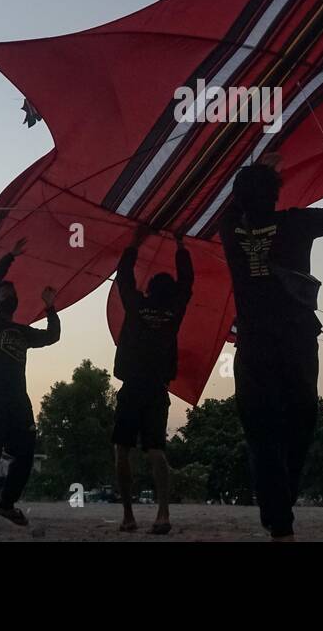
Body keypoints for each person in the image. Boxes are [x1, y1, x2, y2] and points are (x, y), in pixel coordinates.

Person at [218, 154, 323, 540]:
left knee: (259, 430)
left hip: (253, 345)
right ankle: (282, 508)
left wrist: (259, 170)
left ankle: (278, 516)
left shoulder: (229, 230)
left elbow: (232, 205)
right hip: (297, 343)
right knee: (301, 422)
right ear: (276, 195)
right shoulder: (297, 223)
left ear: (239, 197)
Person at [0, 237, 60, 531]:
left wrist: (50, 307)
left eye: (12, 293)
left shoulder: (23, 332)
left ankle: (7, 504)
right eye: (4, 293)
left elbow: (52, 336)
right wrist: (10, 257)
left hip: (18, 402)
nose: (9, 296)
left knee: (26, 452)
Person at [112, 225, 193, 534]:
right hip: (157, 391)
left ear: (148, 291)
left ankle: (128, 516)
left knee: (122, 449)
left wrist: (134, 242)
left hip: (131, 387)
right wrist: (181, 245)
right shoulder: (175, 312)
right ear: (171, 294)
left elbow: (124, 277)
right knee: (156, 450)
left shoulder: (137, 306)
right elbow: (188, 283)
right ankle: (163, 514)